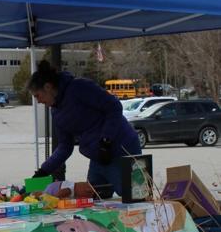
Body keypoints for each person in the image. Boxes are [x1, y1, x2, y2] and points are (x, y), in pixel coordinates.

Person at [27, 60, 141, 196]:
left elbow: (114, 106)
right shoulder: (56, 111)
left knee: (134, 195)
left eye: (37, 96)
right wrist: (43, 171)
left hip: (123, 148)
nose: (38, 101)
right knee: (92, 197)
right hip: (98, 157)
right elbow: (65, 146)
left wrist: (106, 141)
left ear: (47, 87)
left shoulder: (79, 87)